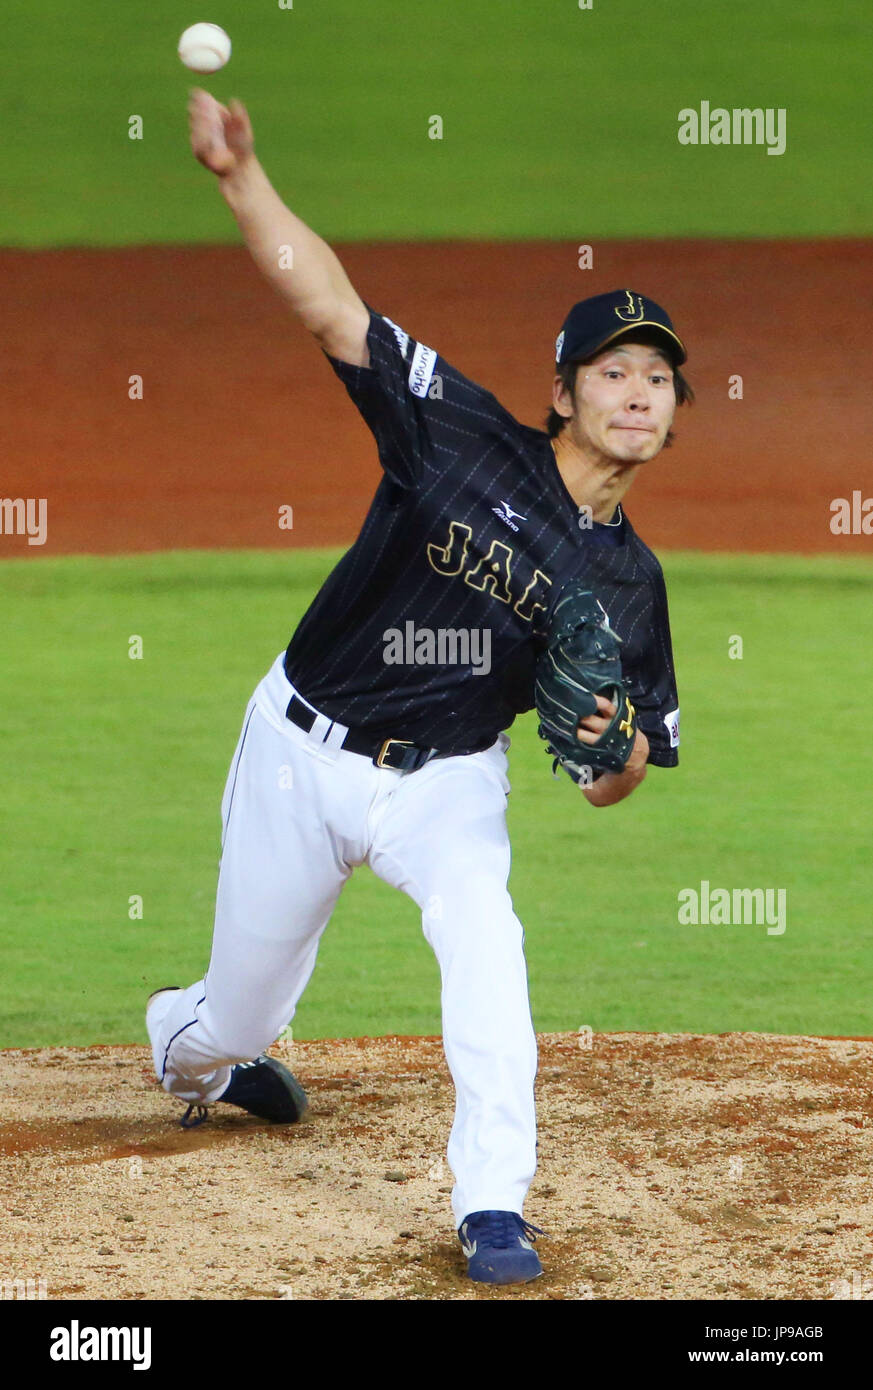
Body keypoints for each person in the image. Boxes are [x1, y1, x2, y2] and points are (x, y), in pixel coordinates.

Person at [146, 90, 691, 1287]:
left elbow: (617, 775)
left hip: (448, 782)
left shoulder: (634, 583)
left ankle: (493, 1203)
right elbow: (330, 303)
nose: (639, 391)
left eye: (659, 377)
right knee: (231, 1024)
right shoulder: (455, 431)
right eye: (615, 370)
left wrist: (617, 750)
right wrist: (241, 178)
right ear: (564, 392)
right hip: (301, 750)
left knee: (489, 942)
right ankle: (190, 1051)